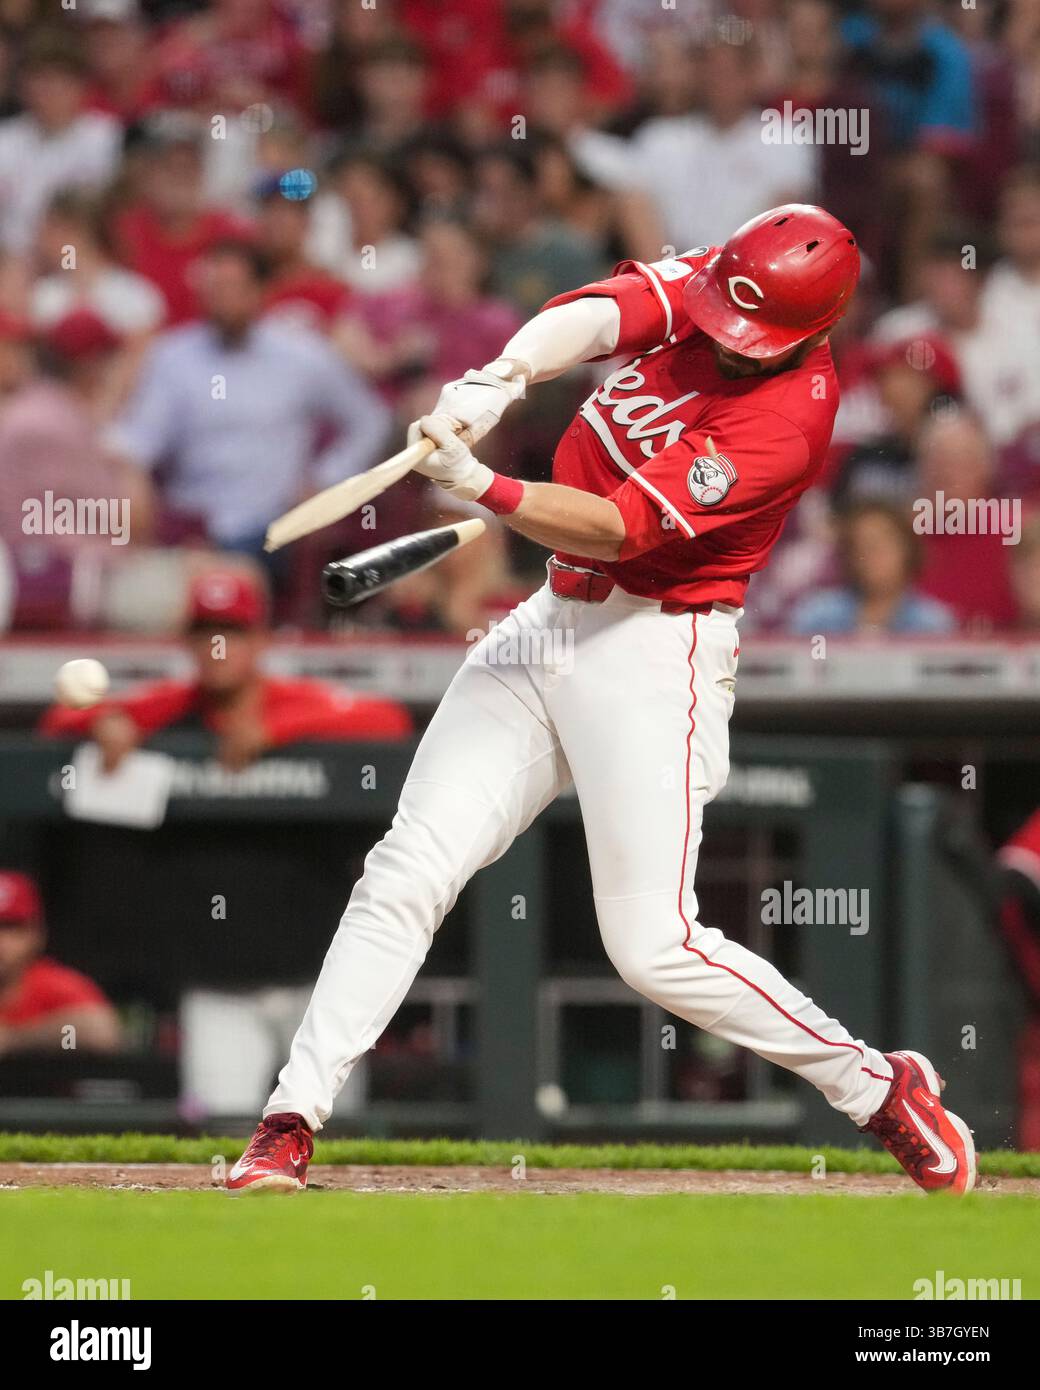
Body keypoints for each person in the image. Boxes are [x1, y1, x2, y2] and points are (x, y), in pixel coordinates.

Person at [227, 205, 976, 1196]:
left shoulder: (783, 422)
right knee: (407, 867)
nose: (714, 333)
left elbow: (615, 531)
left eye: (740, 333)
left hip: (653, 647)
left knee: (652, 947)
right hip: (546, 621)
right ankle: (288, 1120)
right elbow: (602, 309)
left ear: (810, 329)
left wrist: (484, 486)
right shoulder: (731, 277)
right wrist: (501, 375)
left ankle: (878, 1087)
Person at [107, 240, 391, 559]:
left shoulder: (300, 354)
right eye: (214, 288)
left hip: (271, 529)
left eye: (233, 288)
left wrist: (327, 480)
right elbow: (140, 440)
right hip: (191, 529)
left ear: (258, 291)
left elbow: (369, 420)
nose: (222, 299)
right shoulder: (173, 357)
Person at [39, 568, 413, 770]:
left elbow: (390, 720)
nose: (216, 648)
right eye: (205, 633)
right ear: (187, 642)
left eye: (231, 633)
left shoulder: (288, 698)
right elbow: (56, 722)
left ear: (260, 641)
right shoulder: (177, 700)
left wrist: (273, 729)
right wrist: (102, 721)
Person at [790, 499, 956, 635]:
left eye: (883, 543)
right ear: (849, 556)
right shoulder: (816, 616)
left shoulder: (933, 624)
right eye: (863, 545)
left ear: (908, 550)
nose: (873, 555)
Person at [0, 870, 120, 1057]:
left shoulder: (52, 984)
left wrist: (13, 1040)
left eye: (11, 927)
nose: (1, 941)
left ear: (37, 935)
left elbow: (100, 1035)